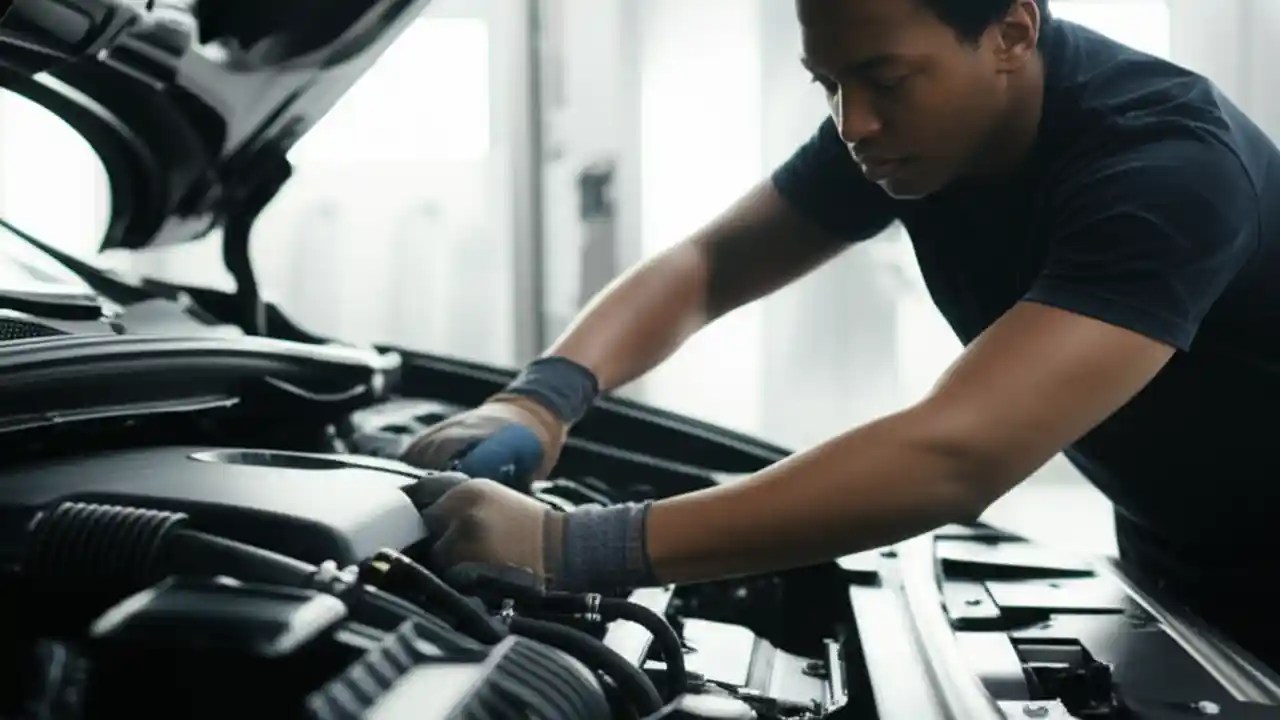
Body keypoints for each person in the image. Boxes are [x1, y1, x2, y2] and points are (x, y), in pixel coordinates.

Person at [402, 0, 1280, 670]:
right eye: (827, 84)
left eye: (883, 81)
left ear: (1013, 31)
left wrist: (573, 548)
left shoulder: (1166, 168)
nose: (852, 123)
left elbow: (958, 454)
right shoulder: (917, 127)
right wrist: (542, 397)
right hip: (1177, 549)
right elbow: (709, 266)